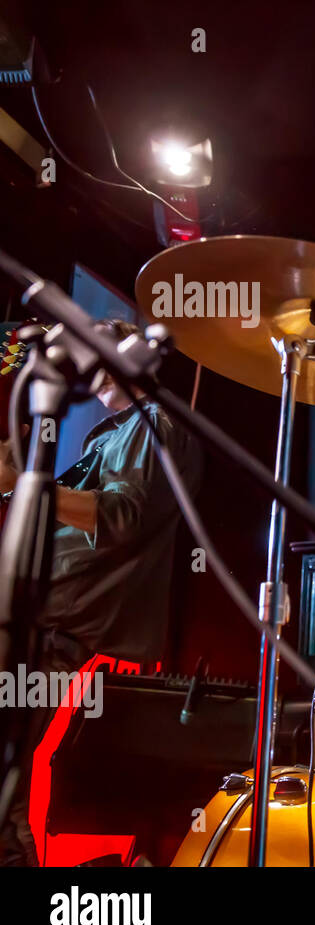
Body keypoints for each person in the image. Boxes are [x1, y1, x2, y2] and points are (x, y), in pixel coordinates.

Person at [0, 318, 202, 866]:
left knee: (7, 784)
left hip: (59, 629)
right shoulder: (117, 432)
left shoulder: (151, 422)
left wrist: (24, 484)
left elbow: (120, 517)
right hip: (45, 623)